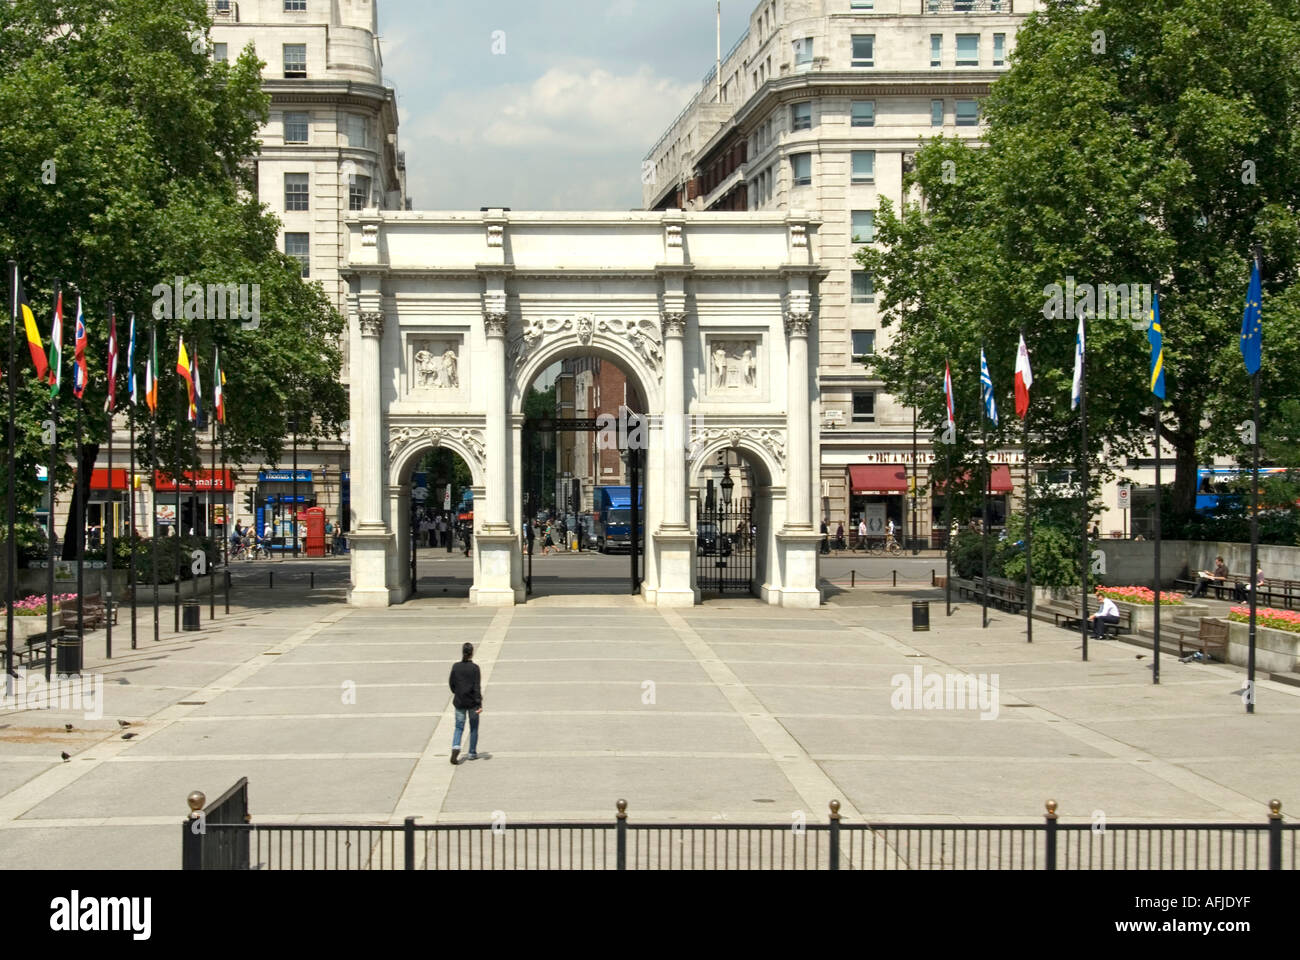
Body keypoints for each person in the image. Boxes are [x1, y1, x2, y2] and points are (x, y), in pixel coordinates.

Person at [448, 641, 484, 764]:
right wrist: (479, 703)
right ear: (472, 653)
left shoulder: (456, 666)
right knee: (473, 728)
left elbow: (451, 683)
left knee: (459, 727)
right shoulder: (475, 668)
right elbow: (477, 687)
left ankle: (456, 746)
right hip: (472, 703)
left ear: (462, 652)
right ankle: (472, 752)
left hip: (459, 701)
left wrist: (457, 692)